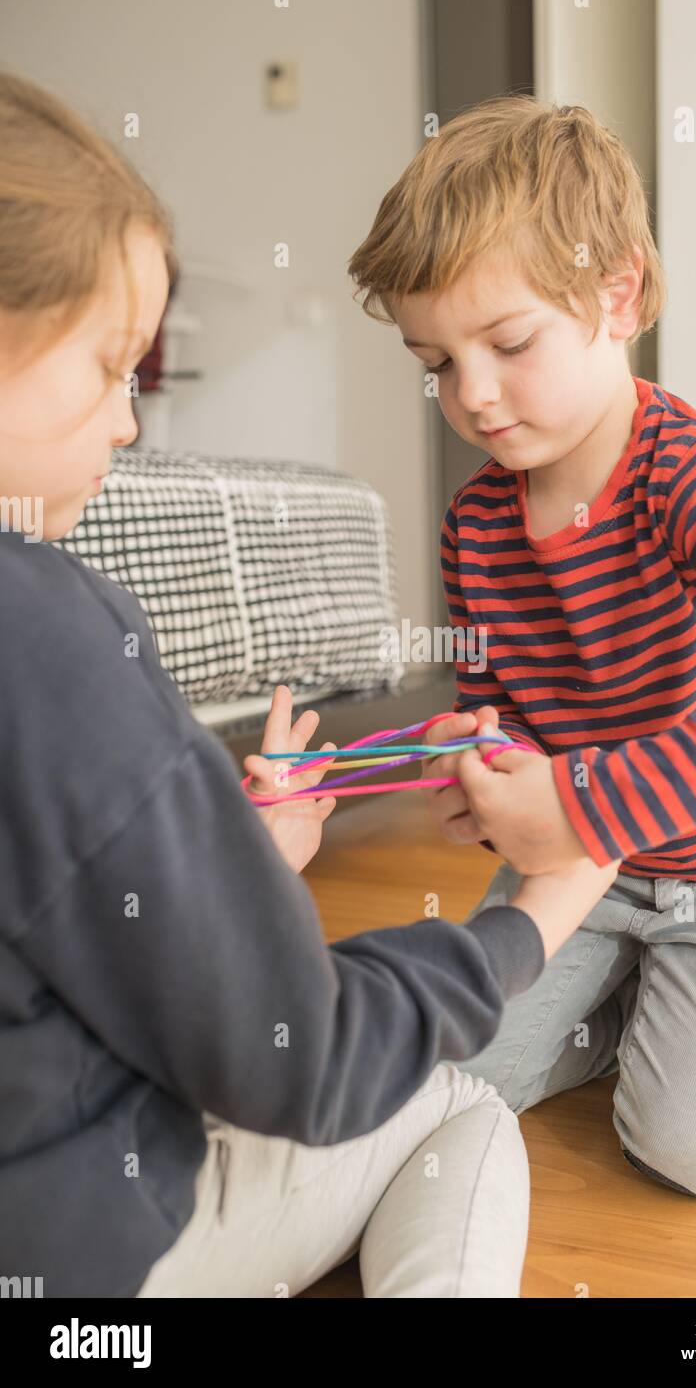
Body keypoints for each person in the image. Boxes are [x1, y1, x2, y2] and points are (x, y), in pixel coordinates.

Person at [0, 72, 620, 1299]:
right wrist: (536, 909)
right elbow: (308, 1062)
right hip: (75, 1255)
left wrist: (223, 865)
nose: (128, 426)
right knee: (460, 1106)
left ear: (619, 302)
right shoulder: (48, 631)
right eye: (112, 365)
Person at [347, 95, 696, 1200]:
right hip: (577, 871)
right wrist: (473, 756)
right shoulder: (475, 524)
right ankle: (640, 1007)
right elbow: (503, 703)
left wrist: (585, 803)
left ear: (615, 292)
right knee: (452, 1079)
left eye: (508, 343)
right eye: (434, 361)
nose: (471, 395)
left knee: (689, 1153)